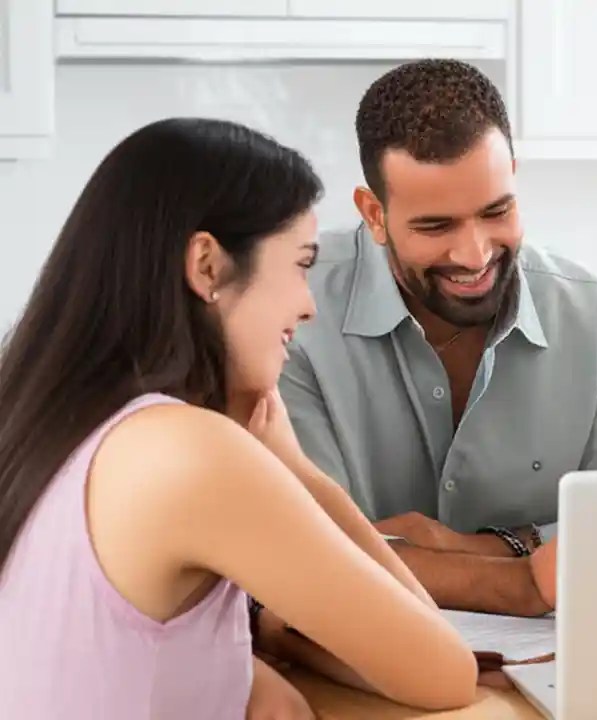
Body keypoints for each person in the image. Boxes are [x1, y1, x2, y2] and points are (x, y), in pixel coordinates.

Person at [0, 118, 486, 718]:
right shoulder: (190, 452)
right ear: (207, 265)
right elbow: (445, 672)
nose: (308, 306)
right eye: (301, 265)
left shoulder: (58, 426)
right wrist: (299, 472)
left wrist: (254, 666)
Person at [279, 59, 597, 616]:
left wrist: (487, 547)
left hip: (562, 651)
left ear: (513, 175)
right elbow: (306, 547)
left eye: (497, 211)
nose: (474, 255)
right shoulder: (293, 308)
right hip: (360, 645)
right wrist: (524, 581)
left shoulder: (586, 307)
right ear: (374, 213)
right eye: (435, 226)